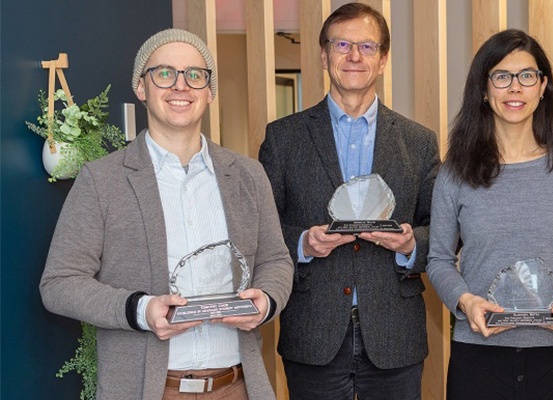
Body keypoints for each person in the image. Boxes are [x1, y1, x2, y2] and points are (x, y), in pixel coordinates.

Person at [39, 29, 294, 400]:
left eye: (194, 75)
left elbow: (276, 259)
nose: (181, 86)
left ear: (209, 91)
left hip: (238, 387)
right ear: (140, 87)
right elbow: (58, 283)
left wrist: (267, 301)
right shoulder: (101, 179)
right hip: (147, 389)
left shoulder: (247, 175)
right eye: (164, 73)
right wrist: (141, 310)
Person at [258, 3, 439, 399]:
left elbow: (442, 232)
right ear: (324, 56)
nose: (354, 56)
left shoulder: (418, 142)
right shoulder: (283, 138)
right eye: (342, 44)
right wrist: (304, 244)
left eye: (367, 47)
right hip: (312, 329)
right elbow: (260, 232)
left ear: (383, 59)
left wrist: (411, 245)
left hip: (395, 332)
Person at [426, 29, 553, 400]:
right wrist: (466, 301)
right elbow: (439, 260)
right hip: (479, 352)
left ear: (543, 87)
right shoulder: (454, 172)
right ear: (483, 88)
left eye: (527, 76)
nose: (515, 88)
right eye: (502, 76)